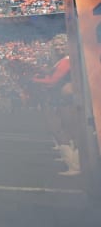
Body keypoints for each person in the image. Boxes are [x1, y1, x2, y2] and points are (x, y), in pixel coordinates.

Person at [32, 34, 79, 175]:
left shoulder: (67, 60)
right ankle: (74, 164)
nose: (58, 47)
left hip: (68, 101)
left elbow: (52, 81)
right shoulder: (62, 61)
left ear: (68, 44)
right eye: (56, 45)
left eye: (62, 44)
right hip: (63, 100)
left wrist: (33, 79)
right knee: (64, 131)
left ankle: (75, 166)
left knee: (67, 132)